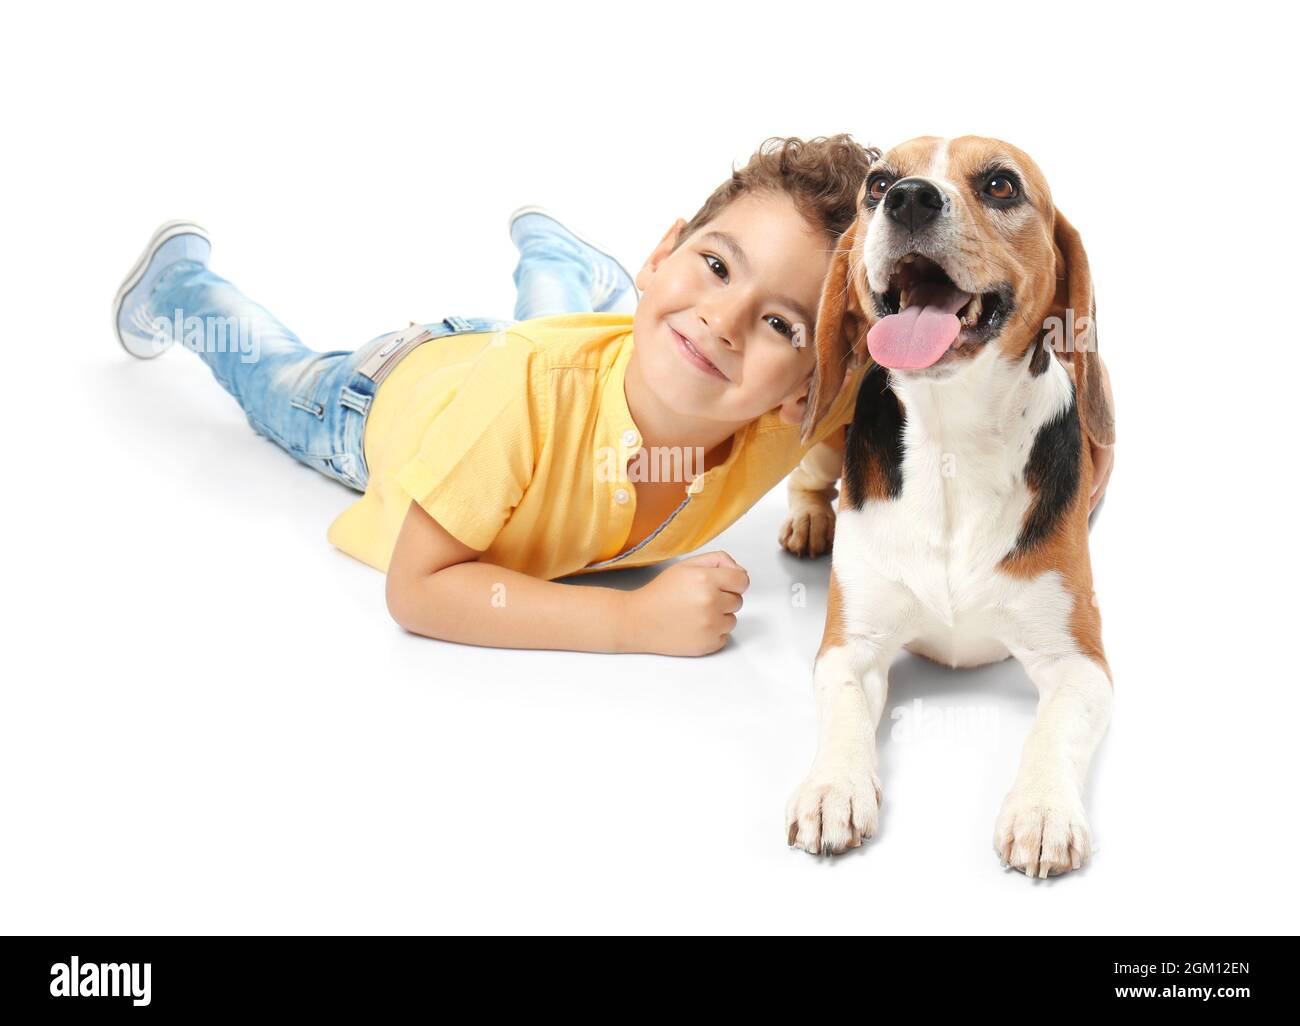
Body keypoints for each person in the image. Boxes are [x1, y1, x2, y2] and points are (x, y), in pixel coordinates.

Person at [113, 135, 1111, 657]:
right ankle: (181, 286)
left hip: (562, 355)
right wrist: (630, 624)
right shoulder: (516, 413)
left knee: (557, 331)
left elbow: (913, 405)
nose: (724, 322)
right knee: (271, 368)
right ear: (664, 250)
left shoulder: (798, 410)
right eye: (714, 265)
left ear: (810, 389)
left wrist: (818, 498)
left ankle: (558, 261)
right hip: (379, 401)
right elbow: (419, 589)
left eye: (780, 325)